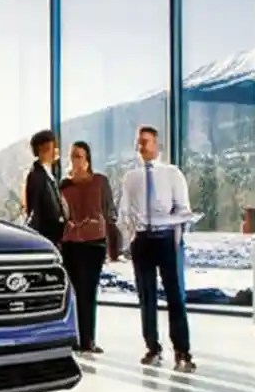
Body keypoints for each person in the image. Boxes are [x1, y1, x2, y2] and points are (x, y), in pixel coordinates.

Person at [118, 125, 196, 372]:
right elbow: (124, 211)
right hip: (142, 240)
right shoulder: (131, 177)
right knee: (146, 297)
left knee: (176, 296)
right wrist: (129, 237)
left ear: (157, 144)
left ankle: (182, 351)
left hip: (166, 239)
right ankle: (152, 347)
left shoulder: (172, 174)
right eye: (138, 142)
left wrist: (176, 233)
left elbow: (183, 209)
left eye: (146, 141)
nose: (141, 146)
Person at [59, 141, 118, 355]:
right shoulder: (63, 186)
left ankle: (89, 340)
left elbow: (110, 212)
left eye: (81, 156)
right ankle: (73, 338)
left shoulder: (100, 182)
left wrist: (113, 245)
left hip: (94, 243)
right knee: (73, 293)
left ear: (88, 159)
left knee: (89, 292)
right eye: (73, 155)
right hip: (70, 244)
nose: (77, 160)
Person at [23, 129, 66, 246]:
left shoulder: (49, 174)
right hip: (47, 237)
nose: (55, 151)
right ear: (43, 149)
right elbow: (34, 209)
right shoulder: (36, 176)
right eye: (52, 147)